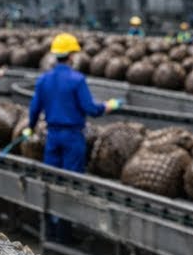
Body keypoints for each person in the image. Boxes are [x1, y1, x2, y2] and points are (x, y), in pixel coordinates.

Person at [22, 32, 121, 174]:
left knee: (50, 177)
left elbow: (34, 108)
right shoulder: (77, 79)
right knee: (72, 180)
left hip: (52, 137)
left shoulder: (44, 79)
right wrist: (108, 106)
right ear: (71, 55)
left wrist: (30, 127)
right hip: (73, 137)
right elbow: (90, 108)